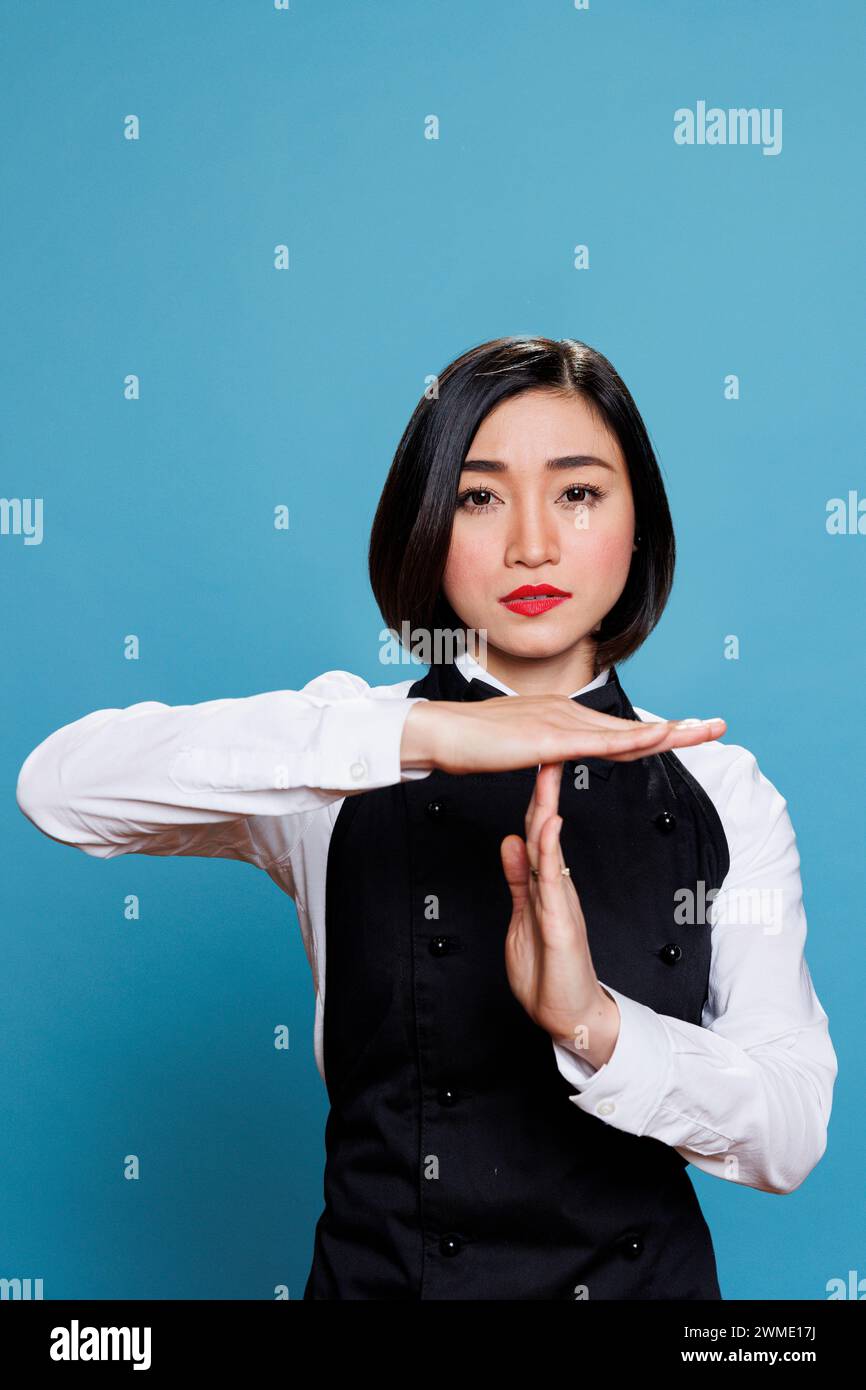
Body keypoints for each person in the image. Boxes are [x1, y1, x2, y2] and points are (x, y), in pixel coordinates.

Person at [16, 336, 837, 1301]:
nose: (532, 542)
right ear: (425, 526)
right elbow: (61, 788)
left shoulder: (722, 787)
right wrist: (419, 734)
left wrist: (595, 1024)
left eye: (578, 492)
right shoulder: (345, 755)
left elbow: (791, 1132)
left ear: (640, 526)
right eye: (479, 496)